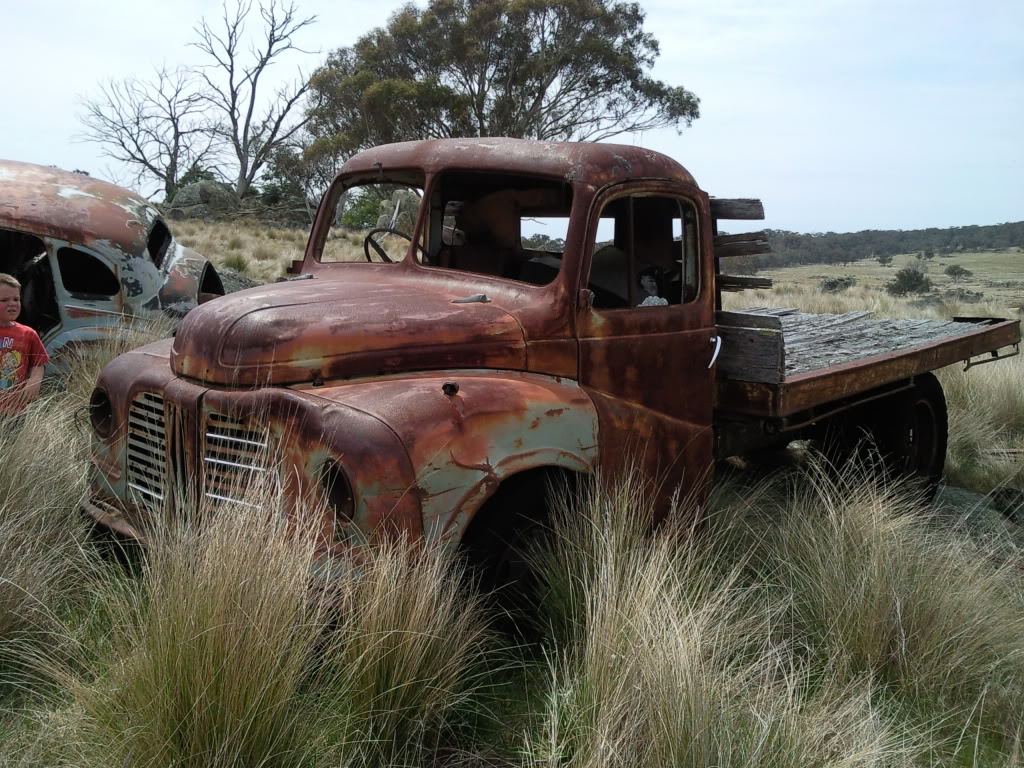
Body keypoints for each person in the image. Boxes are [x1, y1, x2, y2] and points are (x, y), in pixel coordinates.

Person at [0, 273, 49, 418]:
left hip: (14, 410)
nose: (12, 304)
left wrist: (34, 381)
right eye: (4, 300)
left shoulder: (27, 334)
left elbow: (39, 362)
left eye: (16, 299)